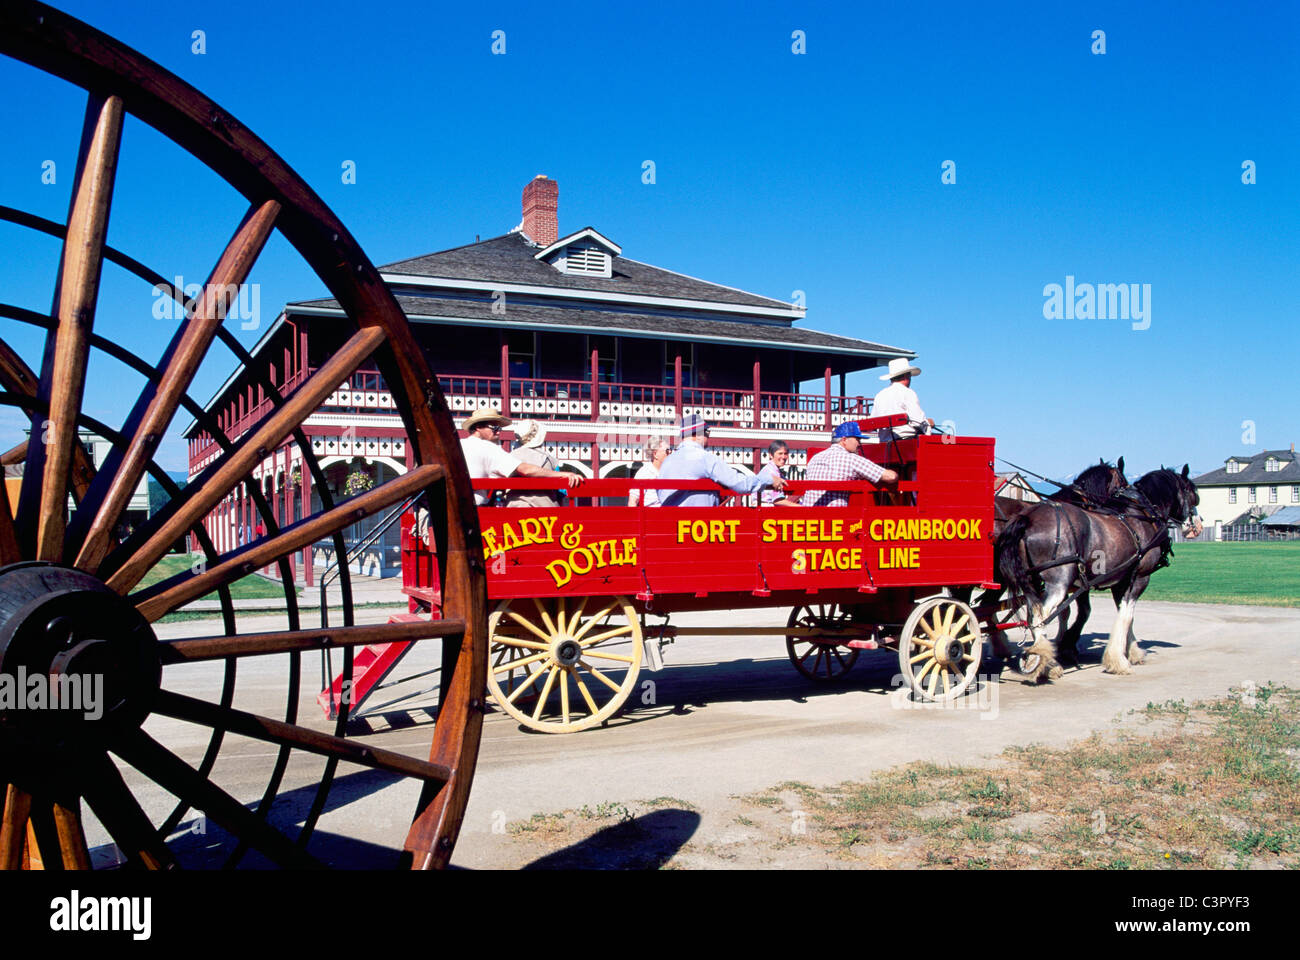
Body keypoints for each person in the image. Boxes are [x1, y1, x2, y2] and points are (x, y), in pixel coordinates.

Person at [460, 407, 580, 506]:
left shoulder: (460, 444)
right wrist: (564, 474)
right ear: (478, 428)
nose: (498, 432)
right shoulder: (489, 448)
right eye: (495, 428)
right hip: (476, 511)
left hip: (455, 506)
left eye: (499, 428)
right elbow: (526, 470)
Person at [657, 414, 784, 506]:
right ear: (698, 434)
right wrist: (767, 478)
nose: (708, 437)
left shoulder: (667, 461)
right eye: (707, 433)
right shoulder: (704, 458)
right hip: (697, 528)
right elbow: (740, 484)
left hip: (670, 527)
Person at [802, 422, 899, 507]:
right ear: (844, 440)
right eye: (857, 439)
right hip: (834, 521)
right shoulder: (850, 459)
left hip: (809, 520)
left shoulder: (815, 458)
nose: (859, 444)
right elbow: (891, 477)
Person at [871, 357, 935, 442]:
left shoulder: (880, 395)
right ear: (906, 376)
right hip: (906, 442)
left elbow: (874, 421)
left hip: (885, 444)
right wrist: (928, 424)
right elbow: (918, 421)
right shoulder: (908, 393)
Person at [506, 419, 564, 508]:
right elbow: (561, 492)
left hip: (516, 509)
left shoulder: (510, 457)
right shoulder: (550, 460)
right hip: (547, 512)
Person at [629, 437, 670, 507]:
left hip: (669, 515)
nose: (670, 453)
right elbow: (632, 501)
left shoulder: (670, 471)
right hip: (651, 516)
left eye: (670, 450)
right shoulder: (644, 472)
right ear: (655, 454)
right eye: (667, 451)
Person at [759, 440, 801, 507]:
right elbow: (777, 500)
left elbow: (789, 486)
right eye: (780, 453)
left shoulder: (773, 470)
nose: (783, 457)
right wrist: (800, 507)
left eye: (785, 453)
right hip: (766, 510)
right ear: (771, 455)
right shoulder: (771, 472)